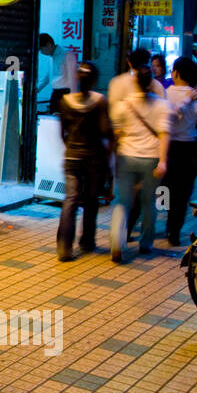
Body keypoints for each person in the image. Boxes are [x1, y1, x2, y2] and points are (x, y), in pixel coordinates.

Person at [109, 62, 173, 262]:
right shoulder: (163, 106)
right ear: (152, 83)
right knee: (149, 202)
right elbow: (164, 135)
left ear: (135, 81)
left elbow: (117, 134)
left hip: (126, 157)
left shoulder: (123, 105)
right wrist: (163, 161)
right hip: (151, 159)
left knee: (123, 201)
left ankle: (117, 242)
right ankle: (146, 243)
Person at [55, 62, 110, 260]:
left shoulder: (65, 101)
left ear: (77, 79)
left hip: (72, 157)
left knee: (70, 200)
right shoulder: (100, 101)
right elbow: (105, 131)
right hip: (94, 159)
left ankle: (64, 246)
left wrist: (71, 146)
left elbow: (62, 133)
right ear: (94, 80)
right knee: (90, 200)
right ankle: (87, 241)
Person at [163, 59, 197, 245]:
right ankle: (174, 231)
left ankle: (167, 222)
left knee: (165, 187)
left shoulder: (163, 94)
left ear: (175, 73)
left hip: (166, 147)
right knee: (183, 193)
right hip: (188, 149)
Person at [36, 32, 77, 113]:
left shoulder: (67, 55)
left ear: (49, 44)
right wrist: (35, 90)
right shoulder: (51, 57)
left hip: (66, 94)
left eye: (41, 49)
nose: (41, 52)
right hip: (55, 94)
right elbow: (46, 78)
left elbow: (73, 79)